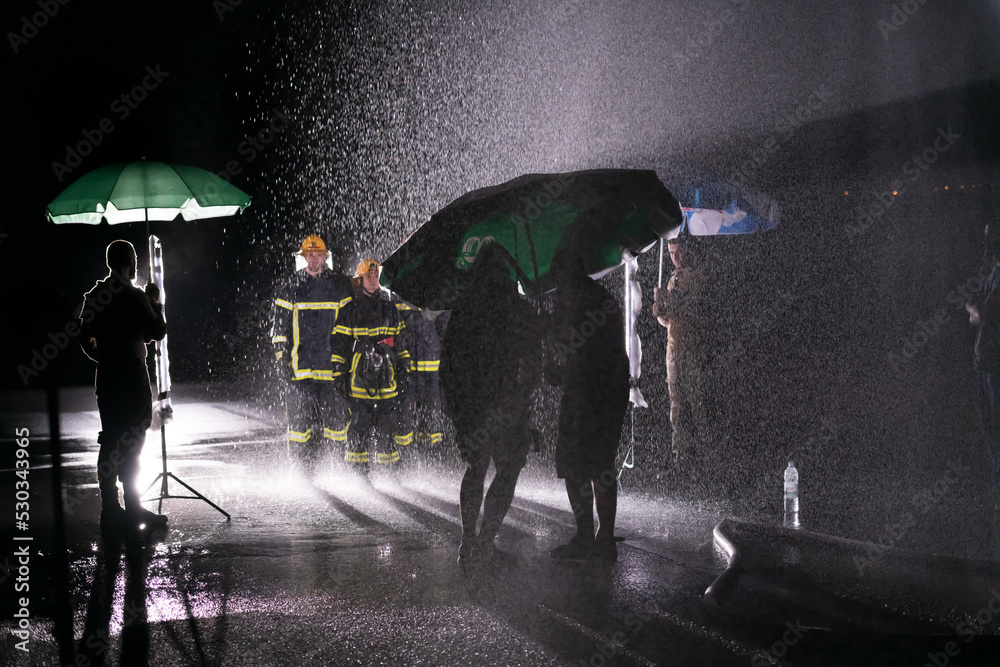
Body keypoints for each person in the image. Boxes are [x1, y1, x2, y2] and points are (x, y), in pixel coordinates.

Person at [440, 244, 542, 567]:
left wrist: (454, 407)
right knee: (508, 470)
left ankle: (468, 541)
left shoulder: (464, 309)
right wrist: (522, 402)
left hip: (471, 406)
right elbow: (534, 364)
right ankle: (484, 543)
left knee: (476, 468)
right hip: (506, 404)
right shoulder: (517, 309)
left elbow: (448, 366)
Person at [80, 240, 167, 527]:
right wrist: (154, 302)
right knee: (133, 441)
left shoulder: (95, 296)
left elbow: (83, 336)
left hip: (107, 378)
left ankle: (110, 509)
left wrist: (101, 357)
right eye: (133, 261)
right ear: (129, 264)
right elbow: (157, 331)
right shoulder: (134, 297)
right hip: (132, 378)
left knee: (111, 438)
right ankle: (133, 507)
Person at [546, 273, 630, 563]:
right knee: (600, 463)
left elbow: (578, 354)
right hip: (610, 390)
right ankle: (603, 538)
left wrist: (556, 364)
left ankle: (587, 538)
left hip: (590, 392)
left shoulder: (572, 300)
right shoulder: (600, 298)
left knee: (575, 463)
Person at [272, 234, 354, 465]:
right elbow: (280, 328)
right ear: (304, 257)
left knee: (336, 424)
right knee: (299, 426)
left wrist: (343, 361)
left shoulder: (338, 286)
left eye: (319, 255)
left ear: (325, 257)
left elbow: (347, 327)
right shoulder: (290, 288)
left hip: (331, 370)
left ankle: (337, 469)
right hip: (300, 370)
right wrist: (282, 359)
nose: (315, 259)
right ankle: (300, 471)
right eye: (310, 255)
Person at [332, 258, 413, 470]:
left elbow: (401, 342)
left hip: (387, 374)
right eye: (369, 276)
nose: (373, 279)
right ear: (359, 280)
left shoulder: (390, 308)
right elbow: (340, 345)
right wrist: (339, 374)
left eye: (376, 276)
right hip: (360, 376)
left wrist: (405, 368)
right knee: (359, 424)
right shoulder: (349, 310)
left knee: (388, 424)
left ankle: (389, 472)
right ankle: (358, 472)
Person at [652, 238, 709, 460]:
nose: (675, 257)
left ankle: (706, 447)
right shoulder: (670, 280)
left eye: (678, 252)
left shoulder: (696, 276)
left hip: (691, 346)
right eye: (671, 253)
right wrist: (660, 312)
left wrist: (669, 301)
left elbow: (692, 309)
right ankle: (680, 450)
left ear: (686, 251)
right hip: (673, 347)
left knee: (697, 398)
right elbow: (670, 321)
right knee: (675, 400)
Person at [966, 222, 1000, 491]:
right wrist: (976, 310)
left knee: (995, 427)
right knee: (989, 426)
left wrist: (976, 311)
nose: (986, 245)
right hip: (986, 364)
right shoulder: (994, 273)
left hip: (993, 365)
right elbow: (975, 306)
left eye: (990, 239)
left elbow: (983, 312)